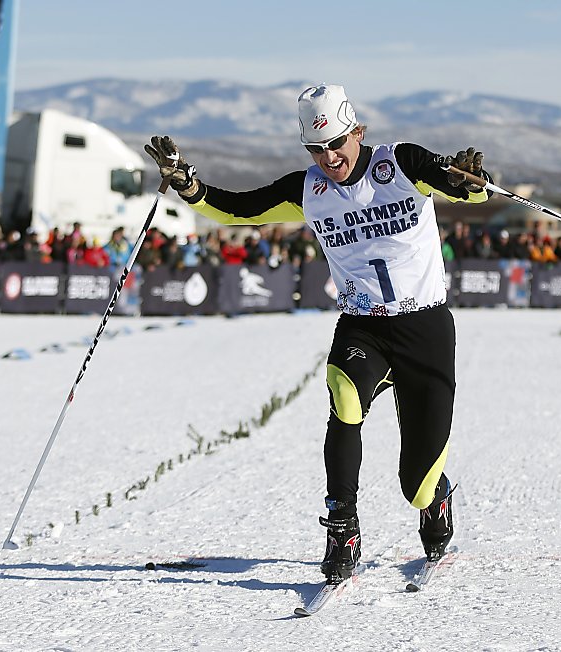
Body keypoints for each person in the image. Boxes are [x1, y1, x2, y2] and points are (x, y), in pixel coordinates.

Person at [145, 83, 492, 585]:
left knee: (415, 484)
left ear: (358, 131)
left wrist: (472, 178)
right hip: (363, 326)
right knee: (343, 397)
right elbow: (237, 208)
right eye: (317, 148)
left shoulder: (402, 163)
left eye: (337, 143)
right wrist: (187, 183)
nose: (329, 157)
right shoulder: (307, 188)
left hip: (424, 328)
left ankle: (434, 497)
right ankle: (342, 525)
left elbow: (469, 189)